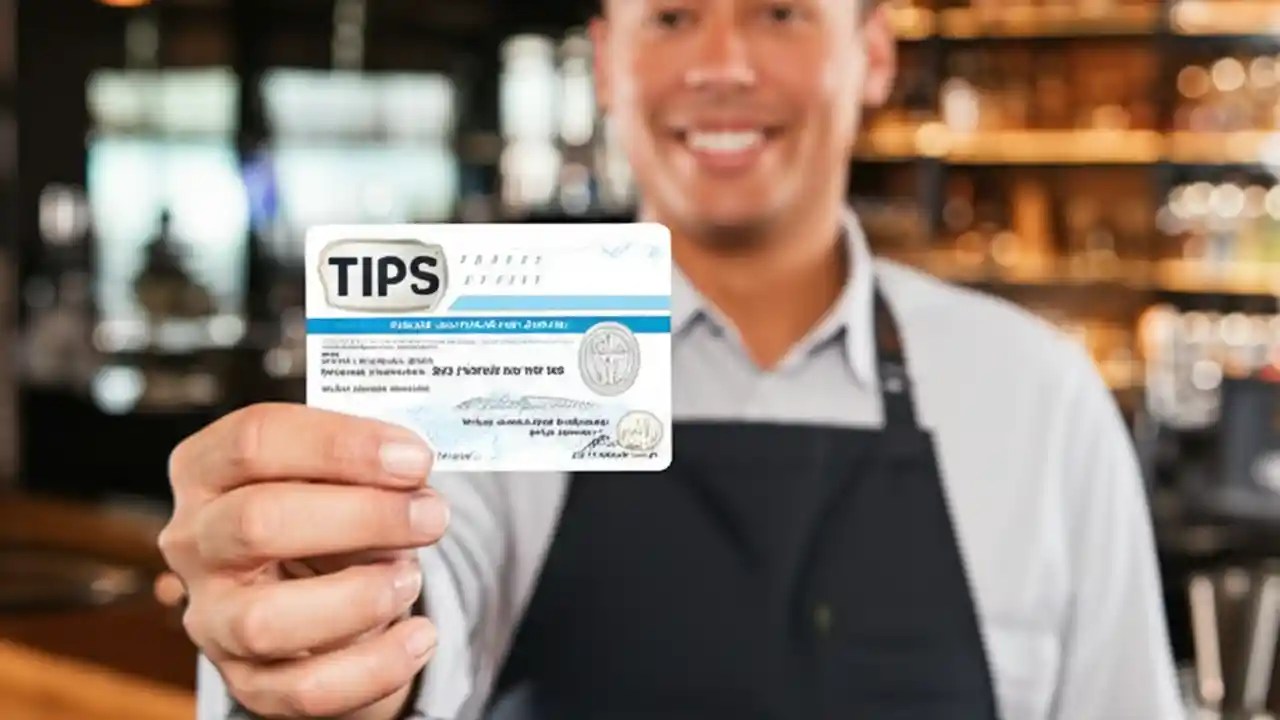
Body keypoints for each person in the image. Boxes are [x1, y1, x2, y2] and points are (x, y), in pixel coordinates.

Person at [163, 0, 1185, 718]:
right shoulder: (493, 356)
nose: (722, 64)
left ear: (873, 52)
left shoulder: (1034, 393)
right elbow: (427, 585)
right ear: (606, 59)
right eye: (670, 16)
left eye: (780, 11)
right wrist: (326, 636)